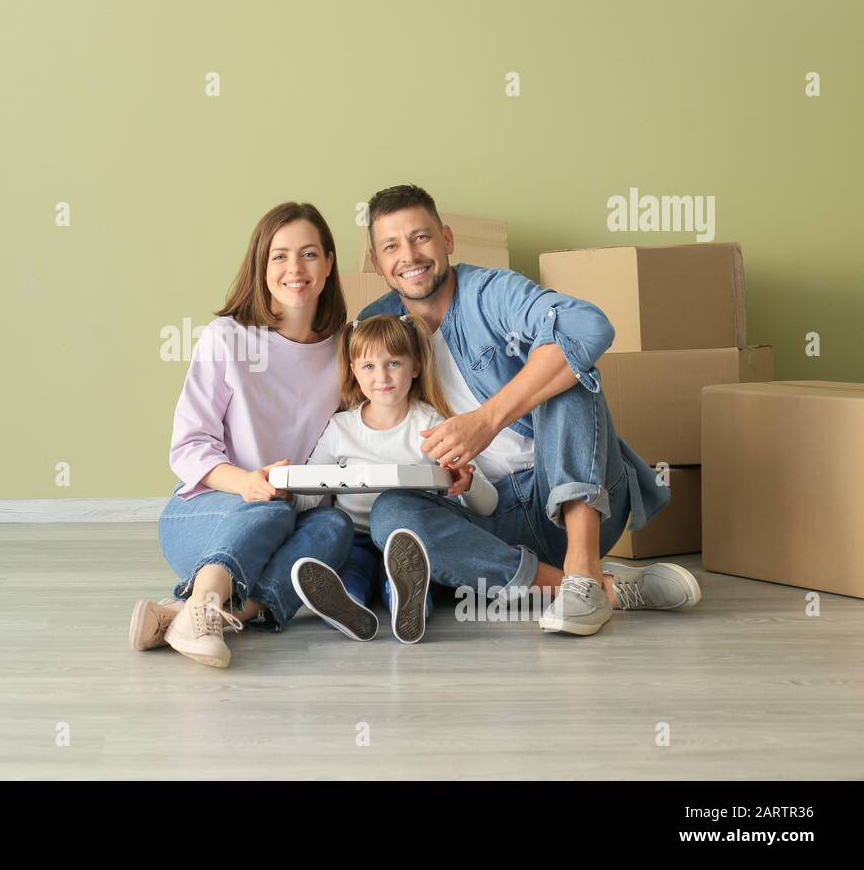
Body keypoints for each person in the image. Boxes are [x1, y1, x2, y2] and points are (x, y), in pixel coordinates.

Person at [358, 184, 701, 636]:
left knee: (569, 370)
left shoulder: (491, 292)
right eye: (391, 246)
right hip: (485, 523)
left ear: (447, 239)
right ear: (376, 261)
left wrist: (486, 421)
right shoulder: (374, 325)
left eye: (421, 237)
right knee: (391, 514)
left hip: (569, 498)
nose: (409, 255)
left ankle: (583, 568)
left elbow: (589, 326)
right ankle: (595, 589)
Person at [128, 202, 355, 668]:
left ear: (329, 264)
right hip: (207, 516)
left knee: (335, 527)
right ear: (262, 266)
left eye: (309, 254)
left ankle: (196, 614)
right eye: (279, 256)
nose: (295, 268)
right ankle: (206, 602)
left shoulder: (346, 350)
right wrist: (248, 483)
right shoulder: (226, 337)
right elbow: (188, 447)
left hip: (292, 517)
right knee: (269, 507)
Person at [288, 313, 498, 644]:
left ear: (415, 366)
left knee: (406, 574)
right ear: (354, 371)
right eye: (369, 366)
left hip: (410, 542)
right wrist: (285, 494)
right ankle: (348, 605)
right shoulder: (341, 428)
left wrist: (468, 484)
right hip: (356, 538)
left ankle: (409, 604)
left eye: (394, 363)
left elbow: (488, 506)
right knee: (352, 571)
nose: (382, 376)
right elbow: (312, 492)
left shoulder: (432, 425)